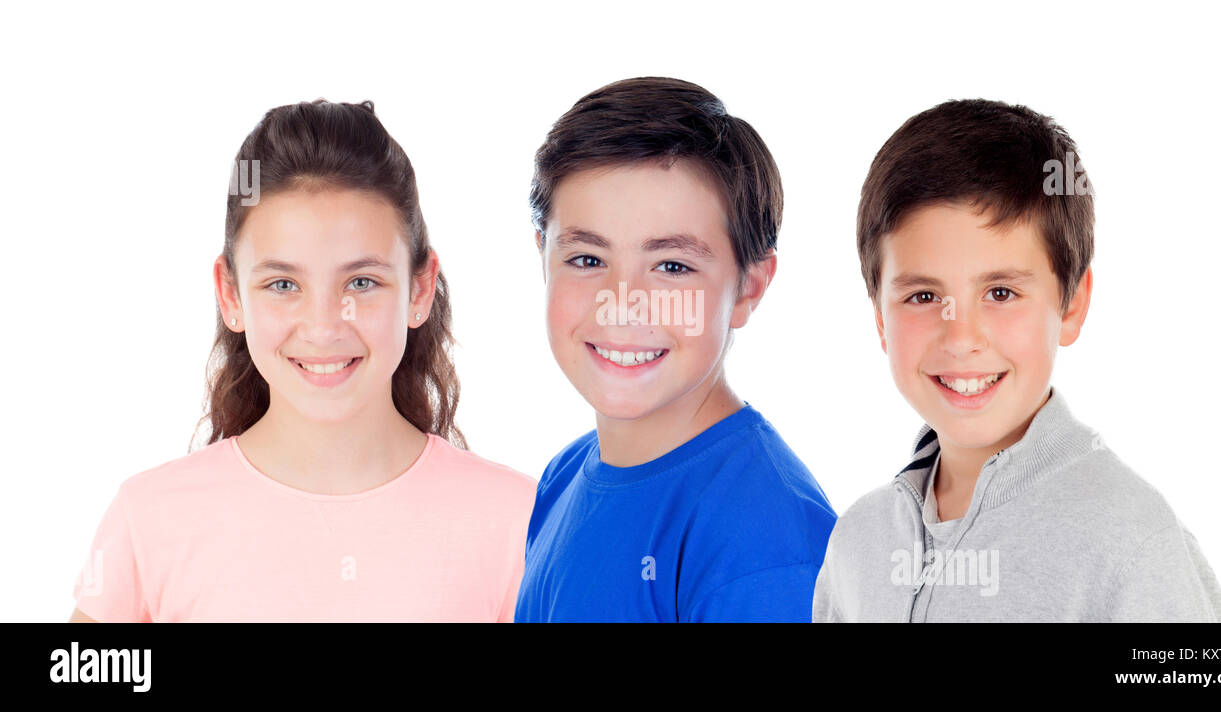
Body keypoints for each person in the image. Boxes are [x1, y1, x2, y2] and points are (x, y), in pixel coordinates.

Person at [69, 99, 534, 622]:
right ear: (231, 294)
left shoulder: (522, 524)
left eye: (362, 281)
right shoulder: (147, 520)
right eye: (283, 284)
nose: (323, 326)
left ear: (419, 289)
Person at [813, 99, 1221, 622]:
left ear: (1072, 304)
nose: (961, 338)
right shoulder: (857, 543)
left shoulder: (1131, 544)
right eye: (922, 296)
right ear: (879, 318)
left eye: (1001, 292)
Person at [514, 77, 837, 622]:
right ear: (542, 255)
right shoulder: (564, 476)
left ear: (749, 287)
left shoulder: (768, 549)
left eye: (672, 267)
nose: (623, 304)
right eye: (588, 259)